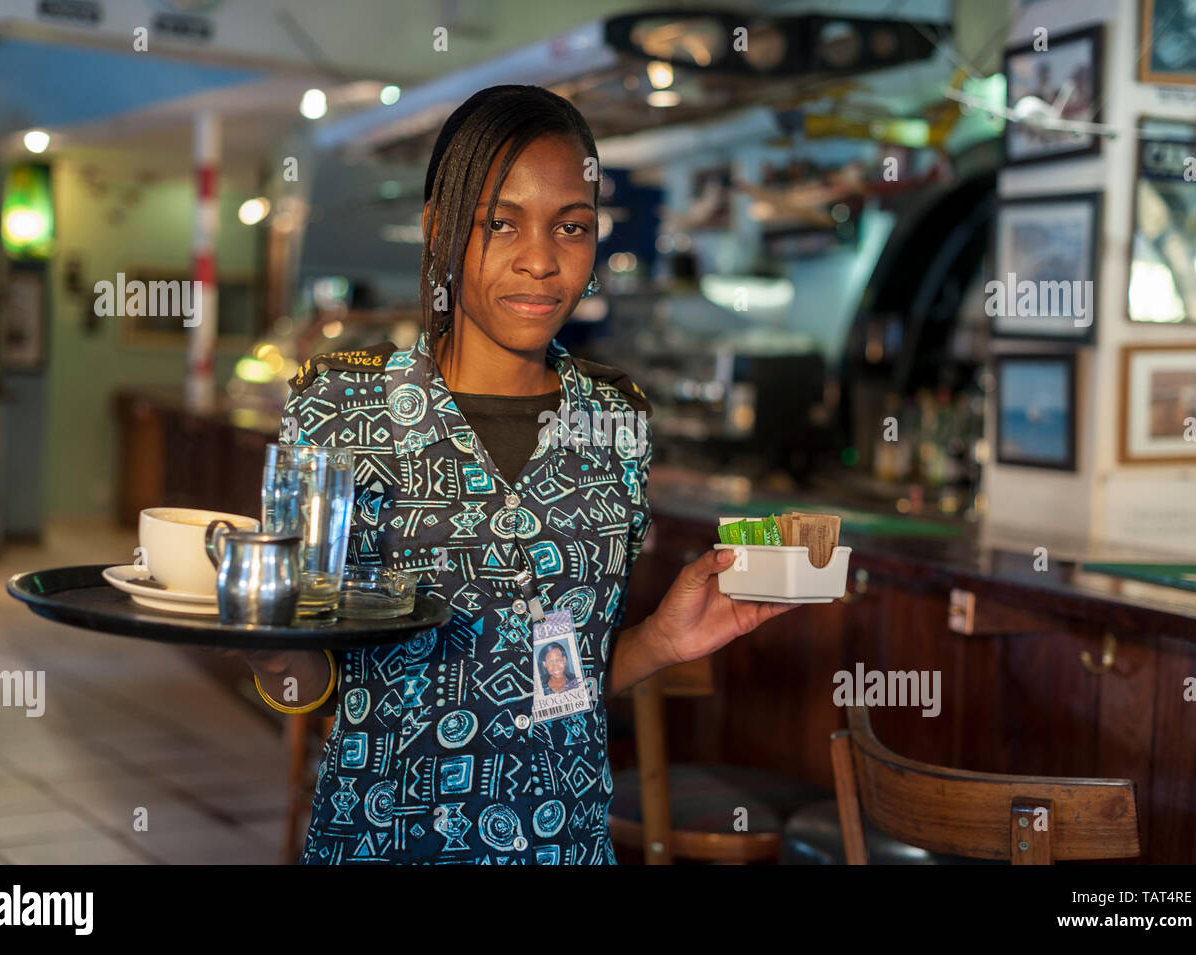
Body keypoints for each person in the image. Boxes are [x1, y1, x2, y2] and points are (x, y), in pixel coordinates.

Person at [237, 84, 797, 864]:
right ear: (438, 232)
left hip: (563, 845)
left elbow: (557, 685)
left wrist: (658, 643)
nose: (540, 260)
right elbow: (313, 688)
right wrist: (271, 652)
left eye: (571, 226)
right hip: (383, 841)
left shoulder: (615, 422)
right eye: (500, 222)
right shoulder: (338, 408)